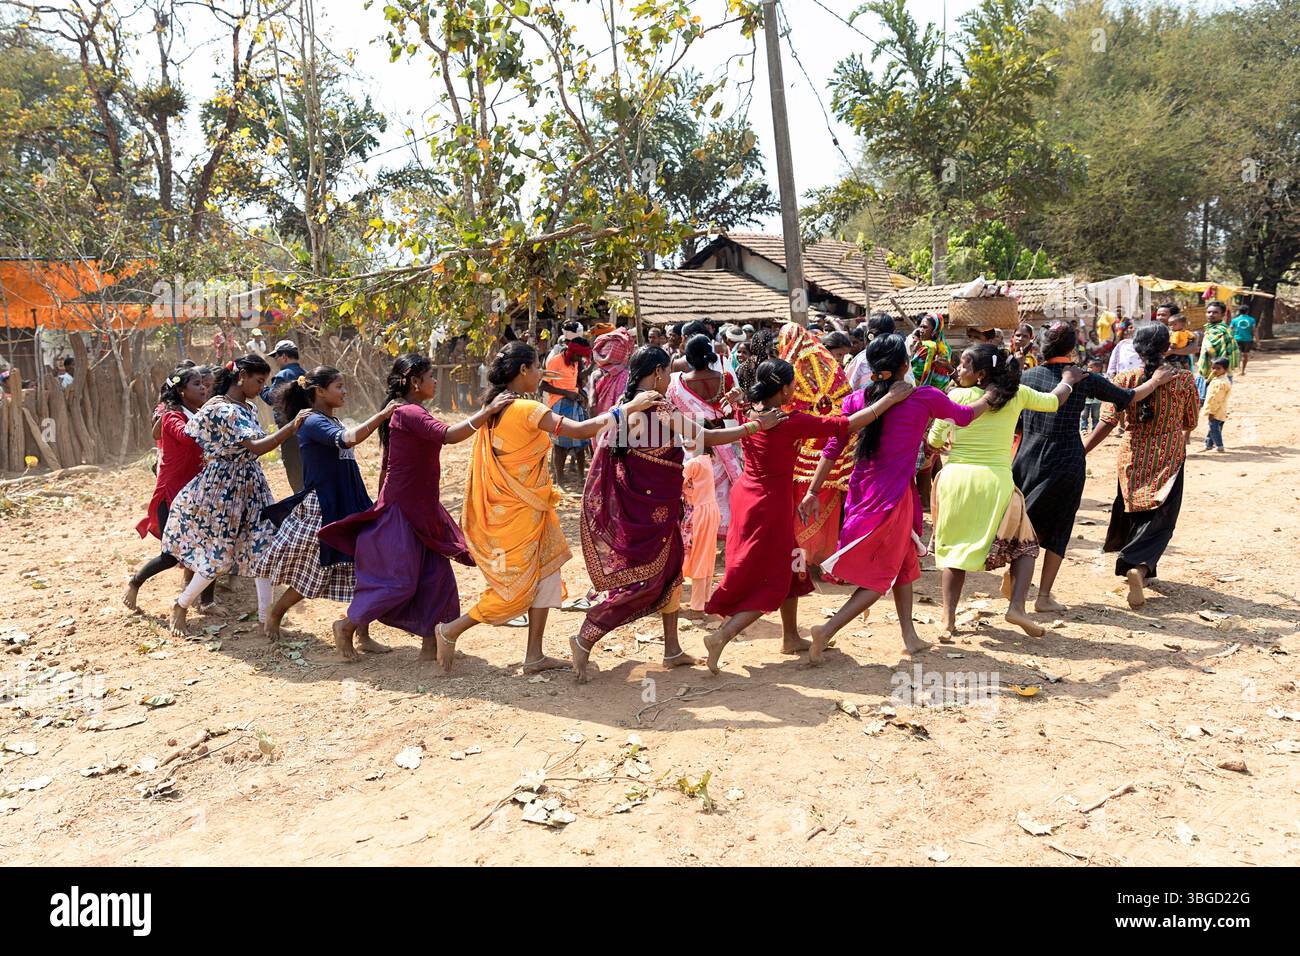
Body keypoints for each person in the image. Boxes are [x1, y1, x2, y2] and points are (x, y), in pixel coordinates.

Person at [433, 342, 659, 674]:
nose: (541, 373)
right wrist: (628, 409)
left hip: (532, 508)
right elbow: (581, 430)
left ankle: (534, 655)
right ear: (523, 370)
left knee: (547, 574)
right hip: (520, 512)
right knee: (514, 590)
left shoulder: (499, 406)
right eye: (538, 367)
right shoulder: (525, 410)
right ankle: (450, 630)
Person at [569, 346, 785, 683]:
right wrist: (754, 427)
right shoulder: (657, 406)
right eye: (667, 372)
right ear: (656, 373)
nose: (669, 378)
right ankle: (587, 634)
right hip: (654, 513)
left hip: (650, 510)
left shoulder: (626, 410)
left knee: (671, 576)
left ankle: (672, 648)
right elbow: (705, 438)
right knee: (650, 582)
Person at [702, 358, 915, 675]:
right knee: (773, 580)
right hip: (769, 506)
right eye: (793, 385)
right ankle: (723, 635)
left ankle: (790, 637)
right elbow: (847, 425)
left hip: (749, 497)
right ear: (786, 388)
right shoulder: (790, 421)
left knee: (793, 566)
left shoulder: (749, 412)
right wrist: (890, 399)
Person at [804, 335, 992, 659]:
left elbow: (832, 447)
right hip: (892, 501)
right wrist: (993, 395)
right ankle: (827, 629)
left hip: (865, 496)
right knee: (880, 580)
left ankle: (909, 635)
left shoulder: (856, 400)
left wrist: (811, 491)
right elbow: (963, 416)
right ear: (906, 365)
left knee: (904, 564)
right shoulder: (924, 398)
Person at [319, 355, 514, 661]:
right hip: (404, 512)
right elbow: (448, 436)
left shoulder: (410, 412)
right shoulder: (409, 412)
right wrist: (487, 412)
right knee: (398, 581)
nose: (435, 381)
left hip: (422, 509)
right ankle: (346, 626)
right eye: (431, 376)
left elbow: (389, 463)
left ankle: (431, 642)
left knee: (438, 579)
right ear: (414, 382)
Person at [1014, 322, 1175, 613]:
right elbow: (1127, 398)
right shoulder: (1083, 378)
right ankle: (1044, 596)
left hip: (1026, 457)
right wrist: (1155, 382)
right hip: (1066, 458)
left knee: (1027, 523)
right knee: (1060, 527)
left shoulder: (1027, 377)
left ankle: (1015, 586)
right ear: (1073, 348)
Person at [926, 345, 1085, 638]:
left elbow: (934, 440)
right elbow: (1053, 402)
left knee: (953, 552)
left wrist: (940, 444)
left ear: (981, 374)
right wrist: (1068, 380)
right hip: (997, 483)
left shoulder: (956, 397)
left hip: (955, 481)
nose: (958, 370)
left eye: (964, 365)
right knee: (1026, 545)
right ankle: (1016, 608)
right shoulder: (1017, 395)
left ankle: (947, 621)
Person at [161, 355, 310, 635]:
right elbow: (255, 447)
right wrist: (291, 427)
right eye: (258, 381)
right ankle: (182, 604)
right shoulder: (221, 409)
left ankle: (266, 617)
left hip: (251, 484)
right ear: (241, 376)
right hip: (223, 489)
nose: (260, 387)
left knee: (262, 548)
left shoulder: (248, 408)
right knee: (218, 554)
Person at [252, 366, 399, 646]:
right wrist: (381, 415)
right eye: (339, 386)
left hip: (349, 501)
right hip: (324, 506)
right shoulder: (312, 422)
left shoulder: (332, 420)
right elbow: (348, 440)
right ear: (319, 391)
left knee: (363, 566)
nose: (345, 391)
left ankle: (361, 632)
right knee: (314, 568)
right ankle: (276, 613)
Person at [1085, 323, 1200, 608]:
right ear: (1167, 348)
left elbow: (1109, 420)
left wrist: (1082, 449)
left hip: (1132, 451)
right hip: (1169, 453)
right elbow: (1191, 421)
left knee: (1133, 505)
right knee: (1162, 512)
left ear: (1135, 348)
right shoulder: (1184, 379)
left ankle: (1135, 564)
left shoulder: (1124, 379)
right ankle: (1139, 566)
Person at [123, 367, 215, 611]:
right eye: (197, 384)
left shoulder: (196, 413)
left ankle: (206, 603)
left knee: (209, 546)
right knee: (170, 555)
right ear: (182, 391)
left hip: (198, 494)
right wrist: (211, 418)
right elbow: (185, 436)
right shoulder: (174, 416)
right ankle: (135, 583)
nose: (204, 387)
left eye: (204, 383)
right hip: (171, 494)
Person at [777, 322, 854, 566]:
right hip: (831, 441)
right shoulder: (830, 365)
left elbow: (787, 407)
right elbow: (845, 400)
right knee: (826, 498)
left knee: (802, 499)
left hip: (804, 446)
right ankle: (824, 558)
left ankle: (800, 562)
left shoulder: (792, 369)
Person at [665, 334, 740, 538]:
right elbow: (732, 410)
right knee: (723, 490)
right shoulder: (725, 379)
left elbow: (674, 414)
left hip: (695, 444)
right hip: (723, 438)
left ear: (688, 358)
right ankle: (722, 530)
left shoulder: (677, 385)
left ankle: (699, 531)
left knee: (698, 488)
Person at [541, 323, 591, 483]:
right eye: (578, 356)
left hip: (574, 403)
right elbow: (544, 385)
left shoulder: (575, 362)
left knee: (581, 443)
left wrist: (578, 391)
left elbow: (572, 382)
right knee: (560, 445)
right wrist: (566, 393)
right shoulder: (555, 361)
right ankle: (560, 479)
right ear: (572, 351)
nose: (579, 360)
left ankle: (582, 478)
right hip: (559, 406)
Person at [262, 340, 307, 493]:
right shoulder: (305, 374)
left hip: (289, 430)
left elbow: (271, 398)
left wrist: (261, 386)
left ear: (285, 357)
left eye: (277, 356)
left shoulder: (282, 375)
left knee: (293, 467)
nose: (276, 360)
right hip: (306, 427)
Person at [591, 324, 635, 415]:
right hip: (620, 423)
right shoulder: (629, 375)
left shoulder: (596, 374)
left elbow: (592, 404)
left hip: (599, 423)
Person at [1196, 300, 1240, 388]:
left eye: (1215, 312)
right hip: (1221, 371)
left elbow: (1213, 352)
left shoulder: (1218, 331)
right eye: (1209, 312)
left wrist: (1213, 373)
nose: (1211, 314)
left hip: (1215, 372)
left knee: (1209, 400)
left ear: (1222, 315)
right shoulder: (1218, 329)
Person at [1201, 356, 1232, 452]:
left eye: (1218, 368)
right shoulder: (1219, 379)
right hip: (1220, 410)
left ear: (1225, 370)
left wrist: (1211, 411)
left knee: (1213, 428)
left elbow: (1216, 399)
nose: (1214, 370)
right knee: (1213, 427)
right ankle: (1208, 445)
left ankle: (1219, 446)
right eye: (1213, 368)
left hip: (1216, 410)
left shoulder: (1220, 383)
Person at [1080, 357, 1106, 433]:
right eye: (1088, 367)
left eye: (1091, 367)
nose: (1089, 368)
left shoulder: (1101, 377)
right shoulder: (1086, 375)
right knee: (1084, 415)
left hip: (1097, 401)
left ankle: (1095, 428)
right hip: (1086, 400)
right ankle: (1083, 428)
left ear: (1098, 368)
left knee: (1096, 415)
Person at [1231, 303, 1257, 375]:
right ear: (1247, 311)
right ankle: (1242, 371)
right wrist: (1257, 340)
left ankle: (1237, 370)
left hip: (1237, 339)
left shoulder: (1235, 320)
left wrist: (1230, 338)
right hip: (1248, 340)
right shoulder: (1252, 320)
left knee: (1237, 355)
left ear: (1239, 311)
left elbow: (1230, 329)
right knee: (1245, 355)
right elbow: (1254, 330)